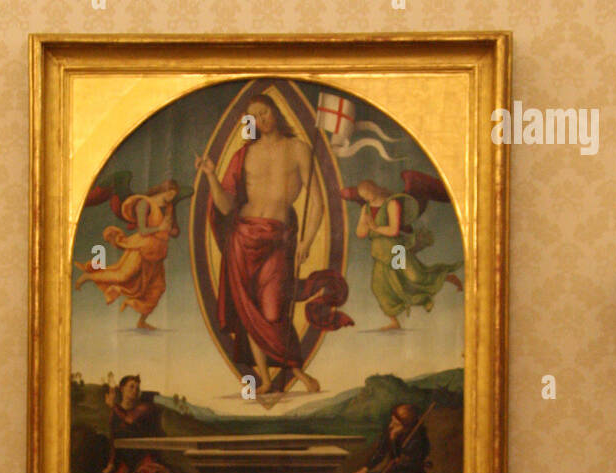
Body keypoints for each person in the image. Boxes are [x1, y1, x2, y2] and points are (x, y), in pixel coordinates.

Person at [196, 95, 350, 395]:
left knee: (272, 312)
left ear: (275, 112)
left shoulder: (298, 149)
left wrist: (307, 239)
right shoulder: (244, 154)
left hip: (277, 239)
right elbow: (226, 207)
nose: (260, 120)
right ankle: (266, 379)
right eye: (253, 116)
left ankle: (296, 371)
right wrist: (212, 176)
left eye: (263, 112)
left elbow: (317, 201)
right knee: (248, 313)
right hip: (242, 237)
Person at [351, 178, 462, 329]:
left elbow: (393, 230)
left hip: (397, 249)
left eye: (366, 194)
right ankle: (394, 322)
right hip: (380, 252)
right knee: (379, 287)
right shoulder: (366, 209)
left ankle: (446, 277)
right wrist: (365, 225)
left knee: (414, 276)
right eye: (362, 196)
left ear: (374, 189)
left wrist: (374, 227)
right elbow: (360, 233)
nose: (365, 198)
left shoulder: (391, 204)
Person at [74, 180, 182, 330]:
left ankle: (142, 321)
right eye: (169, 194)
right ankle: (88, 276)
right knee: (123, 275)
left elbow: (174, 230)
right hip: (142, 247)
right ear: (162, 191)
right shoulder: (144, 204)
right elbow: (143, 231)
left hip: (157, 252)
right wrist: (160, 227)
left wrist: (170, 230)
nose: (170, 198)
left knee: (157, 287)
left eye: (173, 196)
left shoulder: (168, 208)